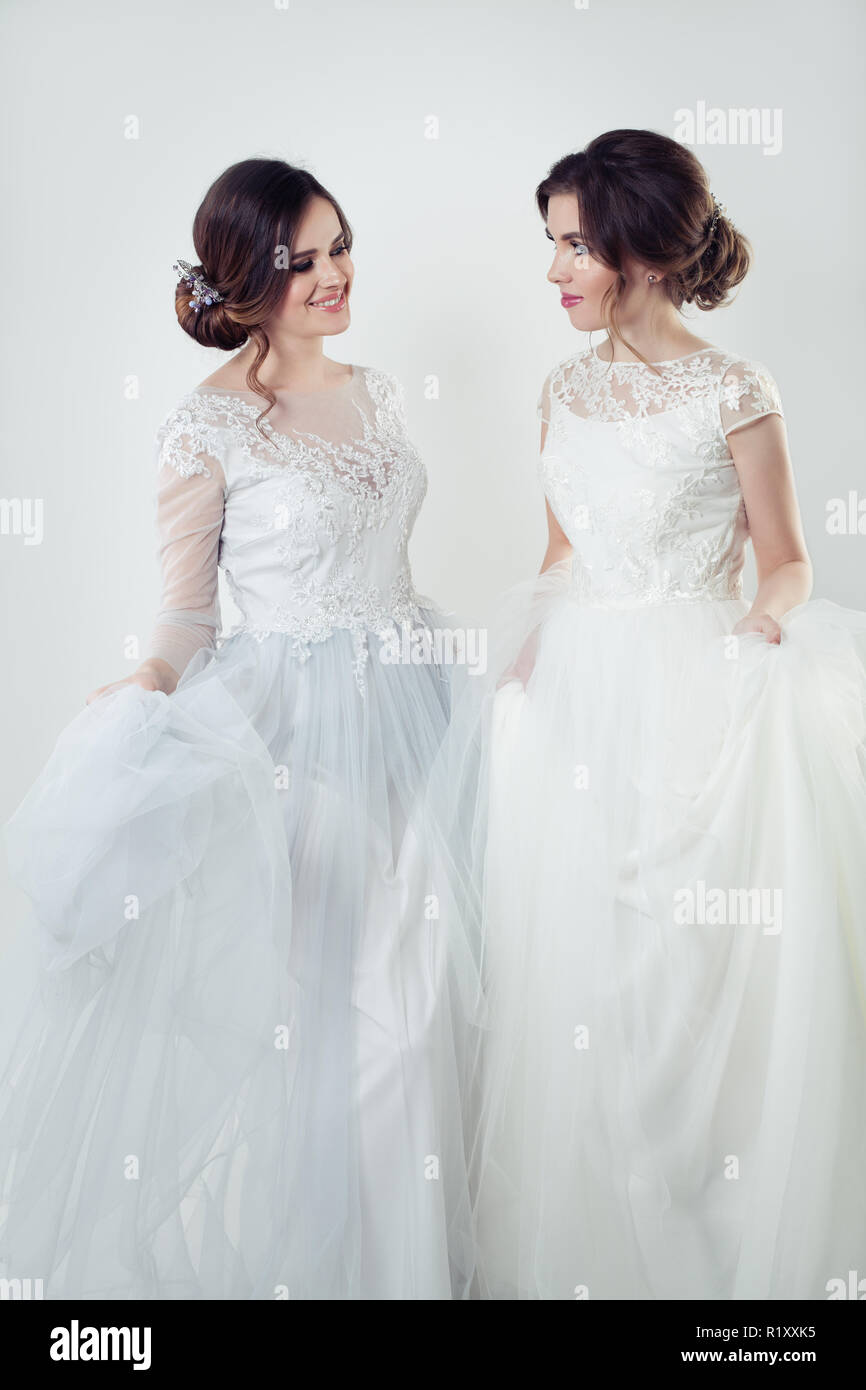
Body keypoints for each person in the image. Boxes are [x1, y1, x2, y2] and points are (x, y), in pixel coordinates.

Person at [0, 158, 475, 1300]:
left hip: (416, 700)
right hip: (292, 737)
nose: (332, 275)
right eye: (298, 260)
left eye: (338, 246)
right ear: (243, 277)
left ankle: (403, 1270)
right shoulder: (204, 425)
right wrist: (145, 687)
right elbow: (185, 609)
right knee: (333, 1017)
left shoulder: (378, 389)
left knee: (422, 1004)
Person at [427, 128, 866, 1300]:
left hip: (692, 688)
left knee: (684, 987)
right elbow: (563, 549)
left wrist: (758, 639)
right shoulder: (560, 388)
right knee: (571, 991)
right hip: (571, 700)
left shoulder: (733, 389)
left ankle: (711, 1275)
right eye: (552, 245)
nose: (556, 269)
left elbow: (783, 563)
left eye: (574, 244)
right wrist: (518, 667)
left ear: (637, 250)